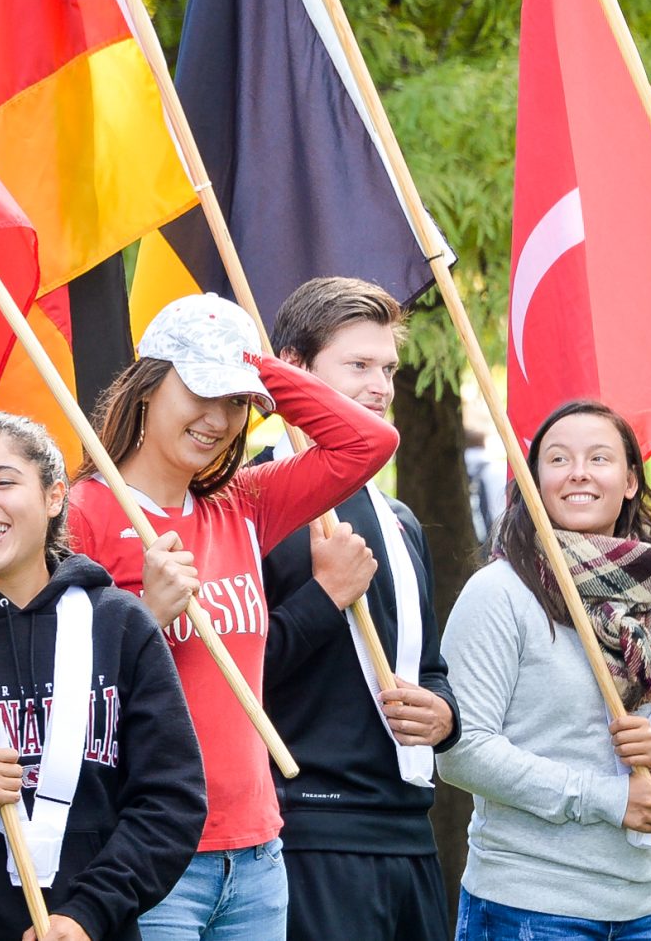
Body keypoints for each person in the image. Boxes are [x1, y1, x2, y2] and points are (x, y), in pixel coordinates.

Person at [67, 293, 399, 941]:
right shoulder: (84, 511)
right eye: (202, 390)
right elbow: (47, 687)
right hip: (152, 855)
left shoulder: (241, 502)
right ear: (148, 383)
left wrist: (254, 366)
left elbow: (368, 443)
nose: (219, 418)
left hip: (257, 853)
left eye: (236, 401)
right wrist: (145, 617)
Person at [0, 412, 206, 941]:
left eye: (4, 481)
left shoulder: (120, 623)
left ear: (54, 497)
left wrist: (89, 914)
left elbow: (171, 799)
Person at [438, 400, 651, 940]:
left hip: (646, 909)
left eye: (599, 458)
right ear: (533, 479)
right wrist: (605, 799)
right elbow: (462, 751)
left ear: (630, 481)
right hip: (528, 908)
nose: (578, 472)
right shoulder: (500, 593)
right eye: (557, 459)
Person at [257, 277, 458, 941]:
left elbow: (428, 664)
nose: (381, 386)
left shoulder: (399, 520)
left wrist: (443, 711)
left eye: (389, 369)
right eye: (359, 366)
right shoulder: (249, 501)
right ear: (293, 371)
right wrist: (323, 598)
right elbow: (231, 673)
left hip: (409, 830)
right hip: (311, 831)